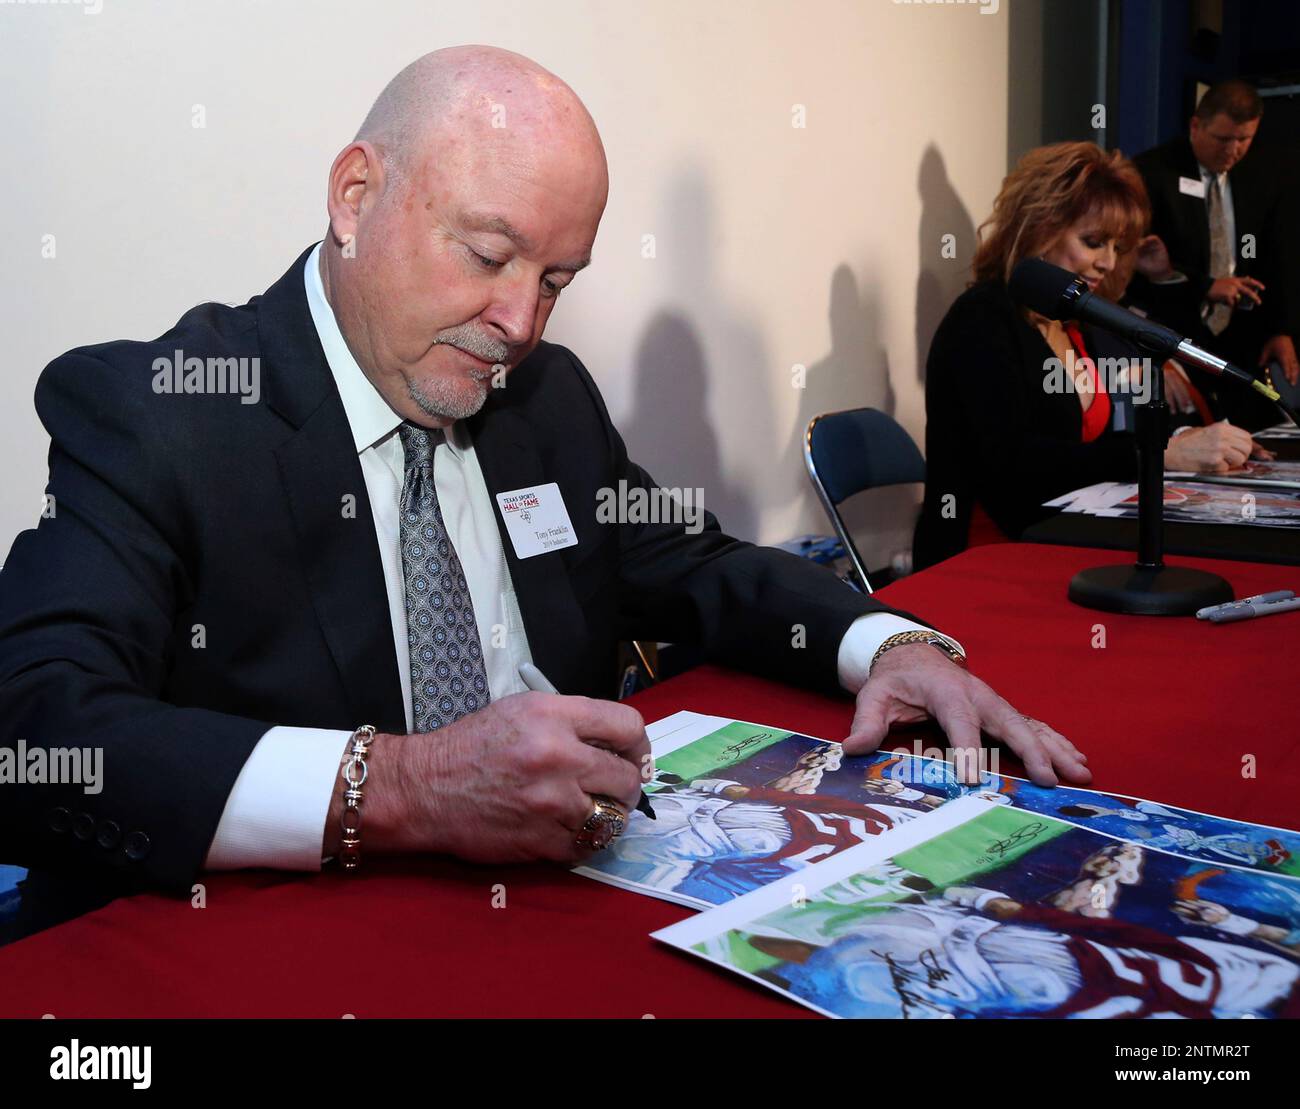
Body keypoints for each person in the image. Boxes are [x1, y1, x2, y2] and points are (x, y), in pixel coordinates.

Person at [0, 46, 1089, 940]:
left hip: (556, 919)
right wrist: (408, 786)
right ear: (354, 196)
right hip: (277, 942)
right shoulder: (161, 412)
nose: (519, 323)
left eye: (556, 280)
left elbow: (696, 562)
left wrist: (888, 647)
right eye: (486, 255)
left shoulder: (543, 398)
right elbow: (38, 726)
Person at [913, 141, 1267, 570]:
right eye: (1094, 241)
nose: (1107, 262)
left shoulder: (1069, 327)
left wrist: (1192, 443)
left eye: (1117, 247)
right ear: (1040, 228)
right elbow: (1013, 464)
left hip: (1061, 534)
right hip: (986, 554)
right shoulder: (982, 319)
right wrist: (1161, 454)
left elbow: (1081, 456)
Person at [1127, 79, 1300, 429]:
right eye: (1223, 139)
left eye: (1243, 140)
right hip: (1177, 330)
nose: (1232, 150)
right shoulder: (1150, 173)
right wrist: (1205, 285)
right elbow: (1137, 264)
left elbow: (1278, 255)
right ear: (1196, 126)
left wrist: (1281, 329)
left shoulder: (1266, 175)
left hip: (1244, 333)